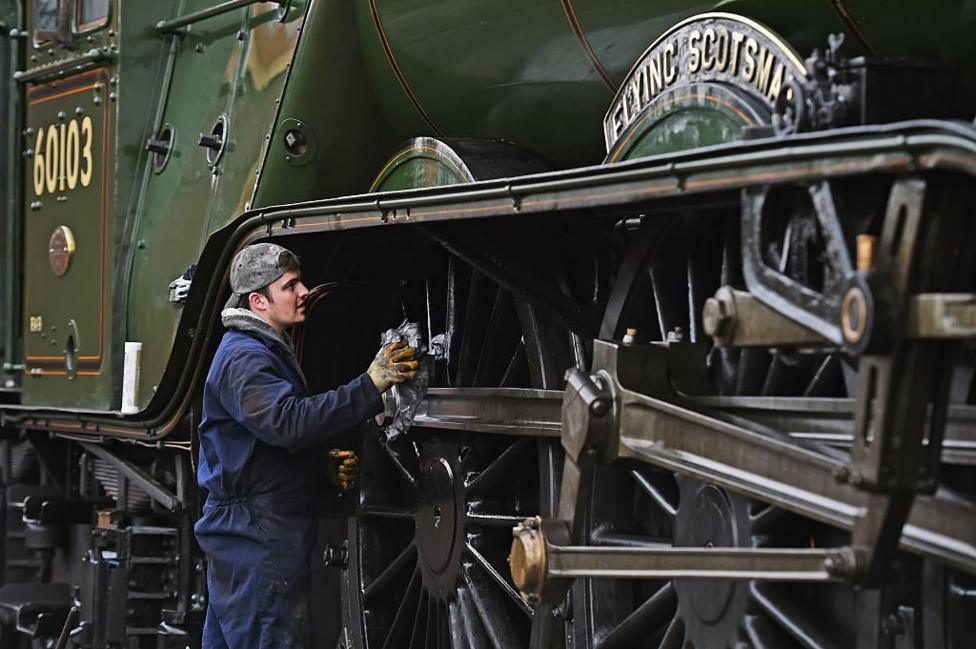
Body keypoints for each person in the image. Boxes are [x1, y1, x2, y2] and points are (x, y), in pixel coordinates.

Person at [194, 242, 416, 649]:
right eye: (290, 285)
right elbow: (287, 423)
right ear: (258, 301)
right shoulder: (244, 357)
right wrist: (370, 385)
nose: (304, 292)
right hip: (257, 538)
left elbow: (256, 446)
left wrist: (315, 466)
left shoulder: (256, 349)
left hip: (249, 532)